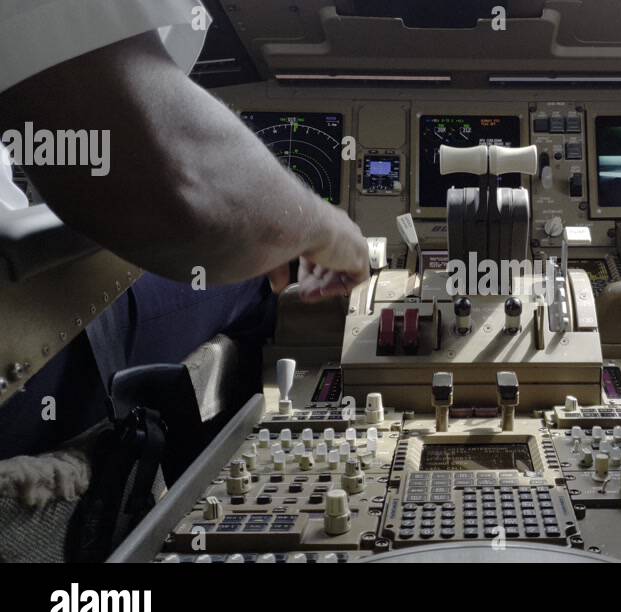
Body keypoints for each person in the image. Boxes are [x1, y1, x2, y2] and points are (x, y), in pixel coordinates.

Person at [0, 1, 369, 458]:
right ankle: (211, 494)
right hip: (14, 350)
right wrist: (328, 230)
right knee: (262, 269)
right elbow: (178, 184)